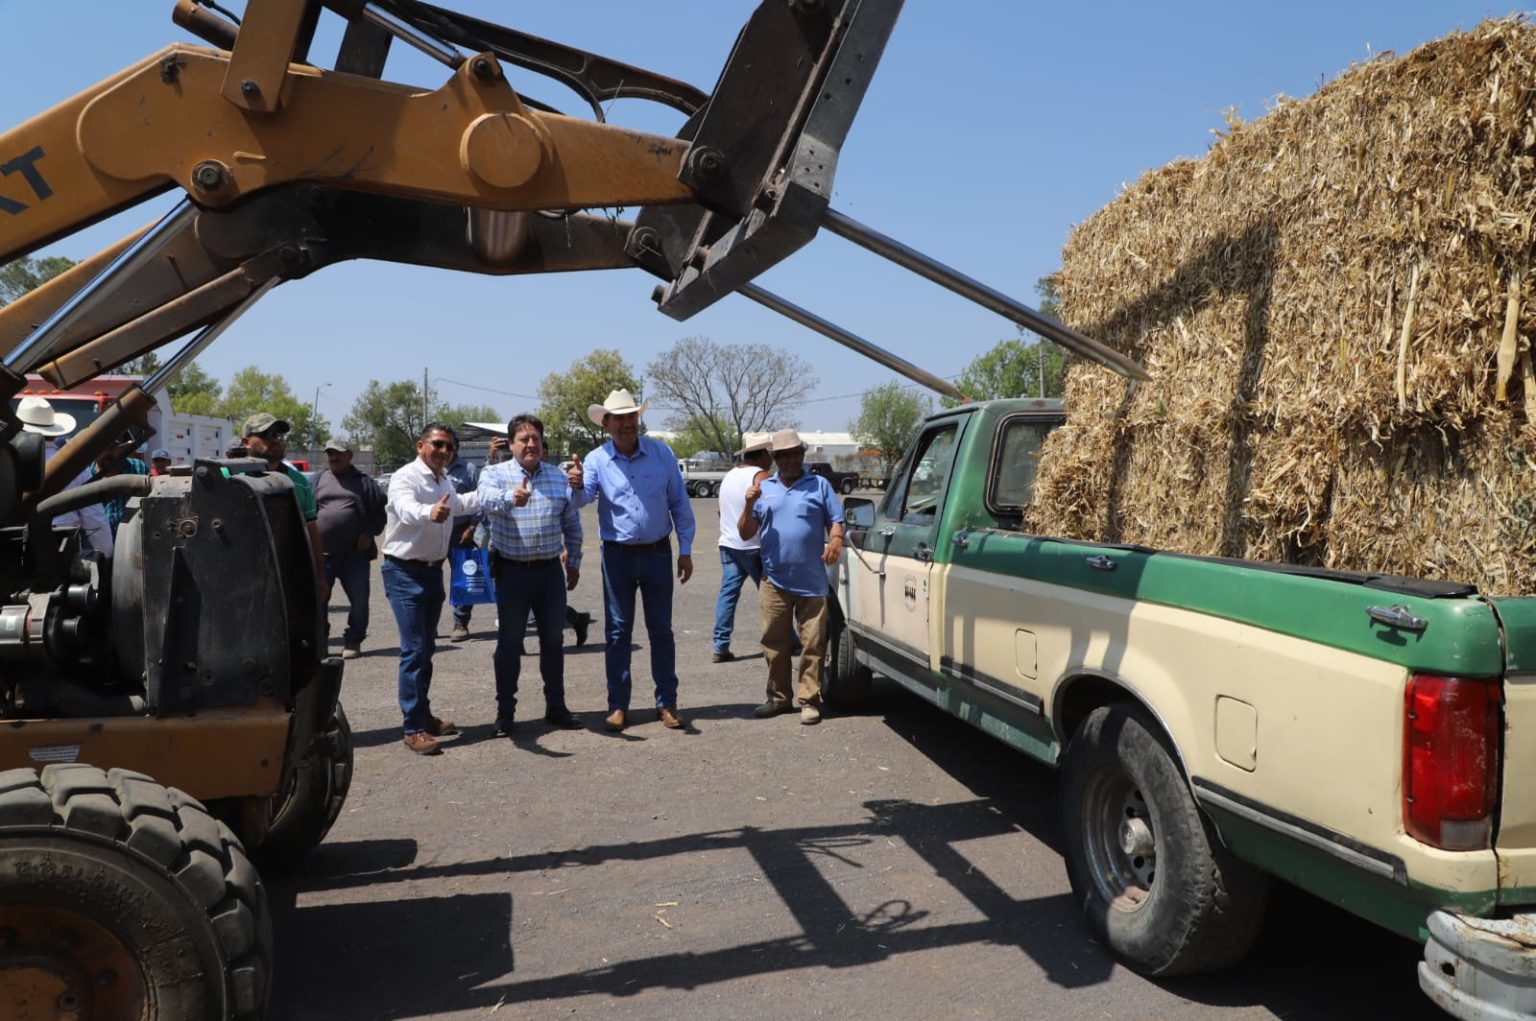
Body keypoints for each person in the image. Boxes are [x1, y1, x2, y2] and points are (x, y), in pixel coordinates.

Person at [568, 388, 694, 732]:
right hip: (617, 558)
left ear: (638, 419)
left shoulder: (662, 454)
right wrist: (575, 484)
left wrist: (686, 549)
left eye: (631, 417)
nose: (626, 424)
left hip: (657, 553)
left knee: (662, 632)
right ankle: (618, 705)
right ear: (606, 423)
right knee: (618, 633)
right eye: (619, 418)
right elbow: (581, 500)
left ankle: (667, 703)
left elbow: (679, 504)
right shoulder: (596, 460)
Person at [477, 413, 584, 734]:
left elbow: (572, 524)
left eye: (536, 438)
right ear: (510, 444)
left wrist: (574, 560)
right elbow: (483, 501)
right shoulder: (495, 473)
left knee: (553, 641)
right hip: (511, 573)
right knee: (509, 643)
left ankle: (556, 706)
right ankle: (505, 712)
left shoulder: (557, 477)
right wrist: (511, 498)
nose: (531, 444)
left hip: (550, 572)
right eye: (524, 439)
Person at [383, 423, 481, 755]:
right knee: (413, 651)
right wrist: (429, 511)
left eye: (449, 447)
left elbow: (461, 504)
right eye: (438, 445)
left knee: (426, 649)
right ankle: (413, 728)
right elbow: (403, 508)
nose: (444, 451)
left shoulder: (444, 480)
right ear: (420, 445)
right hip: (404, 572)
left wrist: (501, 494)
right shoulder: (405, 477)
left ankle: (422, 715)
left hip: (431, 573)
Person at [738, 427, 846, 726]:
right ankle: (778, 698)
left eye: (795, 454)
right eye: (783, 456)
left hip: (812, 581)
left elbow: (836, 520)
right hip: (773, 580)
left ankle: (809, 701)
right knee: (774, 642)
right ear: (774, 458)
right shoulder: (764, 488)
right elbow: (745, 532)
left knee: (813, 644)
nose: (790, 460)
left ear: (802, 454)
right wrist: (748, 504)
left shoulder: (819, 485)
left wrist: (836, 540)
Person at [313, 439, 386, 659]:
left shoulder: (364, 483)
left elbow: (380, 514)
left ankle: (354, 640)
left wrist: (369, 533)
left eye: (338, 454)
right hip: (322, 554)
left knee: (360, 599)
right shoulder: (317, 480)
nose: (333, 458)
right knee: (318, 600)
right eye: (330, 454)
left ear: (349, 456)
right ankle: (320, 641)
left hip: (353, 554)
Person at [18, 396, 113, 558]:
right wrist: (106, 555)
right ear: (54, 434)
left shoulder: (8, 461)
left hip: (13, 548)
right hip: (63, 549)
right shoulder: (77, 467)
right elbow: (94, 518)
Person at [241, 412, 325, 580]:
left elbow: (311, 529)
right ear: (246, 442)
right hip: (243, 573)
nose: (275, 440)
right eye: (266, 434)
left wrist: (321, 576)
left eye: (279, 435)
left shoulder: (299, 482)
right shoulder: (228, 476)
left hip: (287, 574)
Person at [712, 433, 773, 663]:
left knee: (727, 594)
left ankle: (720, 645)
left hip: (729, 544)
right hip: (754, 545)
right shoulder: (761, 476)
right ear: (765, 454)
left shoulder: (730, 475)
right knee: (772, 596)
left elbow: (720, 510)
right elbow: (772, 508)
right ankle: (787, 638)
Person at [446, 446, 481, 642]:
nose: (443, 450)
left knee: (464, 579)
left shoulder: (469, 470)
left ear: (456, 448)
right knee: (428, 579)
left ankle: (461, 623)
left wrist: (472, 527)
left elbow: (479, 499)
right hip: (433, 532)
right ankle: (428, 624)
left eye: (448, 446)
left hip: (461, 533)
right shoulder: (431, 469)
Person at [89, 436, 148, 539]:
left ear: (121, 448)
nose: (108, 453)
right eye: (102, 450)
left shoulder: (138, 468)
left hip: (133, 540)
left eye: (112, 447)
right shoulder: (87, 475)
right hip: (98, 542)